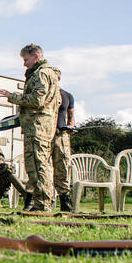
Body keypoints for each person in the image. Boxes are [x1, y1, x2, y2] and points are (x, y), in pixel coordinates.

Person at [0, 44, 60, 211]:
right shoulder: (49, 75)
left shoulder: (41, 74)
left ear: (36, 57)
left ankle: (43, 204)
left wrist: (13, 97)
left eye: (26, 60)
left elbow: (37, 101)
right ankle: (40, 203)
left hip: (37, 128)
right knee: (37, 166)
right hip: (40, 127)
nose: (24, 64)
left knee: (38, 166)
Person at [53, 82, 76, 211]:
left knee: (63, 167)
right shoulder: (44, 93)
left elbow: (71, 116)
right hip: (45, 134)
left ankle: (65, 201)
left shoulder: (67, 96)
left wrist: (71, 126)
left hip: (61, 135)